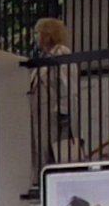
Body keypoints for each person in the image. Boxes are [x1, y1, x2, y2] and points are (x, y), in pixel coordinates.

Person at [30, 18, 81, 169]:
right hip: (42, 117)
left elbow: (68, 84)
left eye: (37, 33)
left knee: (53, 154)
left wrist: (64, 112)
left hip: (53, 115)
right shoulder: (45, 58)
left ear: (48, 34)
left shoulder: (61, 52)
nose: (35, 37)